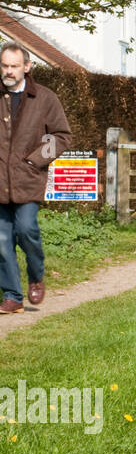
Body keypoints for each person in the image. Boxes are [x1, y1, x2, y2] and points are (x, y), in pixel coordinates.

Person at [0, 42, 71, 314]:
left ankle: (36, 275)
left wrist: (34, 160)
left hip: (28, 180)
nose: (8, 71)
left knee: (26, 229)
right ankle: (12, 296)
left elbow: (62, 136)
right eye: (4, 65)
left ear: (27, 67)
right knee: (1, 240)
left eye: (14, 66)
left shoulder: (45, 98)